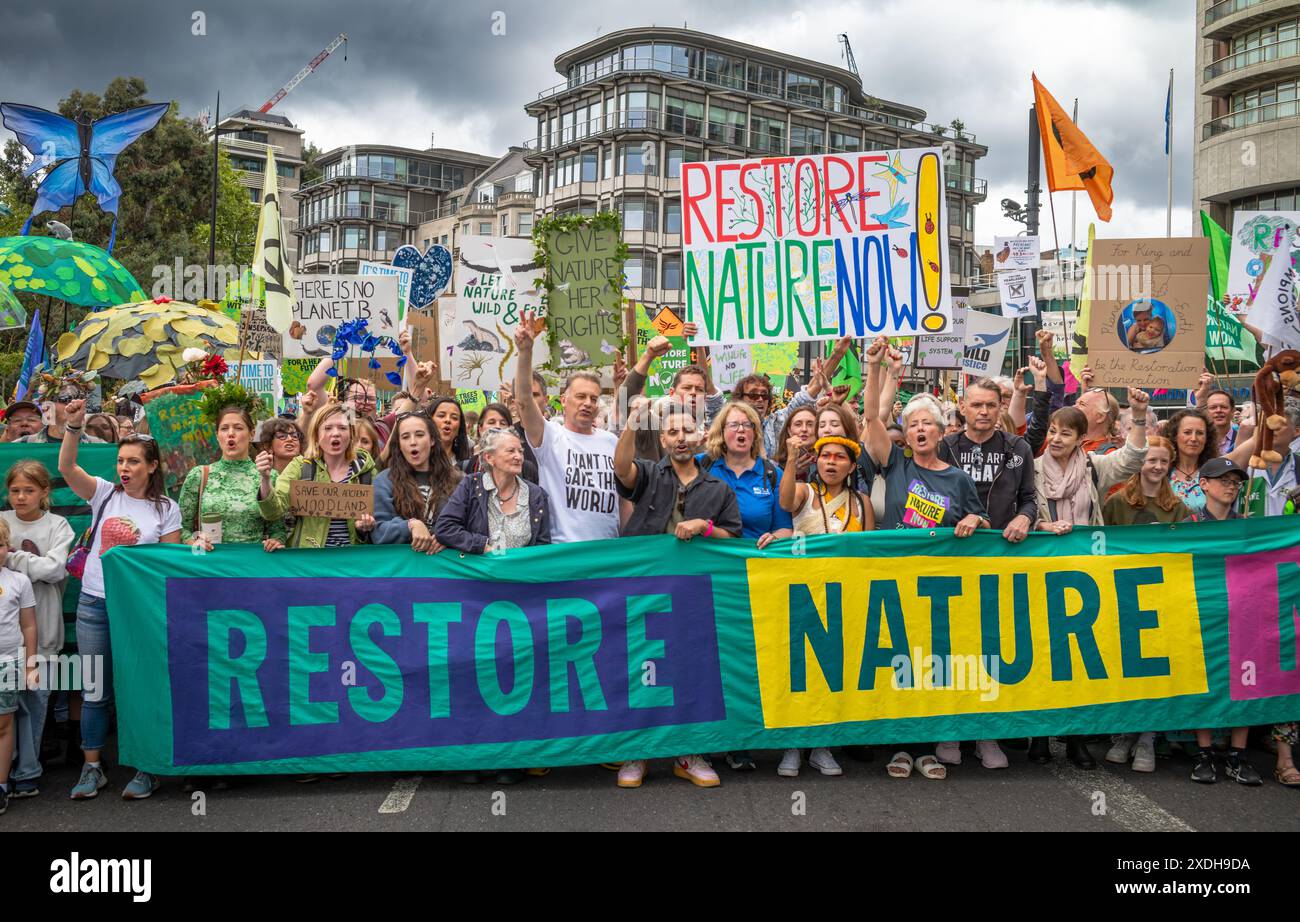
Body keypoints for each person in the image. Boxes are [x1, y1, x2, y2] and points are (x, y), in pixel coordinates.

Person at [612, 399, 740, 789]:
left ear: (701, 435)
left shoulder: (719, 487)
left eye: (687, 431)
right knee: (642, 671)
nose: (681, 438)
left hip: (692, 596)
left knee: (688, 672)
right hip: (644, 591)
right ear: (663, 439)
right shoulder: (649, 474)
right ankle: (637, 752)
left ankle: (689, 753)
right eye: (672, 432)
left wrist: (704, 526)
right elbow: (620, 468)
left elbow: (732, 537)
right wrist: (634, 420)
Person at [59, 399, 181, 800]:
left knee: (140, 688)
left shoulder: (167, 510)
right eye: (121, 461)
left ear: (151, 466)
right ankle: (92, 768)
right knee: (94, 690)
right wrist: (73, 428)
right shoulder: (105, 495)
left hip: (139, 613)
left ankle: (147, 768)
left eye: (132, 461)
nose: (124, 468)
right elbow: (66, 469)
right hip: (94, 604)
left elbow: (167, 567)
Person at [1028, 390, 1149, 769]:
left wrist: (1140, 414)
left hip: (1084, 575)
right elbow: (1021, 511)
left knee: (1079, 658)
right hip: (1042, 573)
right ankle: (1040, 738)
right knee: (1045, 656)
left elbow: (1132, 458)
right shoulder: (1030, 468)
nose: (1058, 438)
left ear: (1082, 438)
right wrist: (1043, 525)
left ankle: (1077, 739)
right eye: (1053, 430)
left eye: (1067, 433)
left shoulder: (1094, 467)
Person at [1185, 458, 1262, 786]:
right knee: (1205, 677)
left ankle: (1237, 754)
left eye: (1235, 481)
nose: (1231, 486)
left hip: (1241, 611)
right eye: (1223, 480)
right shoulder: (1188, 523)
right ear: (1204, 484)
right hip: (1202, 610)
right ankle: (1204, 753)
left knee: (1244, 679)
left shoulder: (1245, 525)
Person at [1, 461, 73, 799]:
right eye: (15, 490)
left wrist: (12, 559)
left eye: (29, 490)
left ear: (44, 492)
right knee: (7, 709)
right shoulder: (3, 523)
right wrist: (36, 567)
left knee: (36, 702)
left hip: (43, 628)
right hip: (5, 635)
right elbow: (43, 568)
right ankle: (8, 768)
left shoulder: (58, 525)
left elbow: (56, 569)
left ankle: (26, 773)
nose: (20, 496)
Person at [513, 311, 619, 543]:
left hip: (610, 554)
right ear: (563, 400)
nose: (588, 403)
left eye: (593, 398)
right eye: (580, 396)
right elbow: (523, 400)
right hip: (563, 552)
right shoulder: (550, 435)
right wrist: (525, 352)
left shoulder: (611, 441)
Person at [261, 402, 378, 550]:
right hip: (310, 562)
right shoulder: (300, 466)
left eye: (342, 428)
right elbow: (272, 512)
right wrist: (265, 479)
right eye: (328, 428)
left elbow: (382, 522)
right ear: (316, 435)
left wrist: (363, 530)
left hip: (352, 564)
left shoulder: (367, 472)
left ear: (351, 435)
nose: (335, 433)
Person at [181, 395, 286, 551]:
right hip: (208, 566)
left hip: (250, 567)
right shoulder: (199, 475)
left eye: (238, 427)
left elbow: (278, 530)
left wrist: (275, 542)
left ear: (251, 434)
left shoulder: (269, 476)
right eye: (224, 428)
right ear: (217, 436)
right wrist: (195, 542)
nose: (231, 433)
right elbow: (182, 528)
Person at [436, 427, 551, 556]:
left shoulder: (536, 495)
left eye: (520, 451)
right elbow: (445, 527)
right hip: (480, 572)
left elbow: (543, 546)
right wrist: (482, 547)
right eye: (511, 451)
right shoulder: (471, 485)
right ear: (489, 458)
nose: (518, 457)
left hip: (519, 574)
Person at [735, 336, 852, 457]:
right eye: (753, 395)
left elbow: (808, 394)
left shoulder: (776, 423)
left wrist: (836, 355)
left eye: (764, 395)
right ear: (740, 399)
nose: (760, 399)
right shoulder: (727, 425)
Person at [373, 412, 463, 552]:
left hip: (445, 568)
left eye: (420, 435)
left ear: (432, 440)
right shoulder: (385, 480)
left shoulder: (458, 479)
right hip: (402, 569)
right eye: (405, 437)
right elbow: (378, 531)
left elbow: (469, 525)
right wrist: (410, 525)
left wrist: (447, 537)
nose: (413, 442)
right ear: (400, 445)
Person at [0, 517, 37, 816]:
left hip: (7, 663)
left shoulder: (18, 581)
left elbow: (29, 626)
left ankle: (1, 785)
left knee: (3, 724)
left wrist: (30, 665)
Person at [1166, 406, 1256, 514]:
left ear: (1207, 438)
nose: (1194, 438)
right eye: (1187, 432)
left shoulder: (1218, 469)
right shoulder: (1161, 471)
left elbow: (1254, 441)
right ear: (1175, 435)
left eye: (1200, 433)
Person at [1102, 436, 1191, 526]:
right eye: (1152, 460)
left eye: (1164, 461)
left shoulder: (1178, 508)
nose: (1158, 466)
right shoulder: (1117, 503)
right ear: (1139, 462)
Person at [460, 403, 539, 483]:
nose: (497, 427)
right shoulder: (464, 468)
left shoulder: (527, 470)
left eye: (503, 423)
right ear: (480, 429)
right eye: (491, 422)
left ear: (510, 430)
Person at [18, 380, 104, 444]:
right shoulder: (22, 446)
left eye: (81, 398)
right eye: (67, 399)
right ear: (46, 408)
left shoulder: (100, 448)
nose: (77, 404)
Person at [772, 406, 818, 482]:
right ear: (789, 431)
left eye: (810, 424)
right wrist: (792, 471)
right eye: (798, 424)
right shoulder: (775, 465)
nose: (804, 429)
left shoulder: (826, 460)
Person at [427, 396, 473, 465]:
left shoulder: (467, 465)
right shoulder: (417, 460)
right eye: (441, 416)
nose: (448, 420)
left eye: (454, 418)